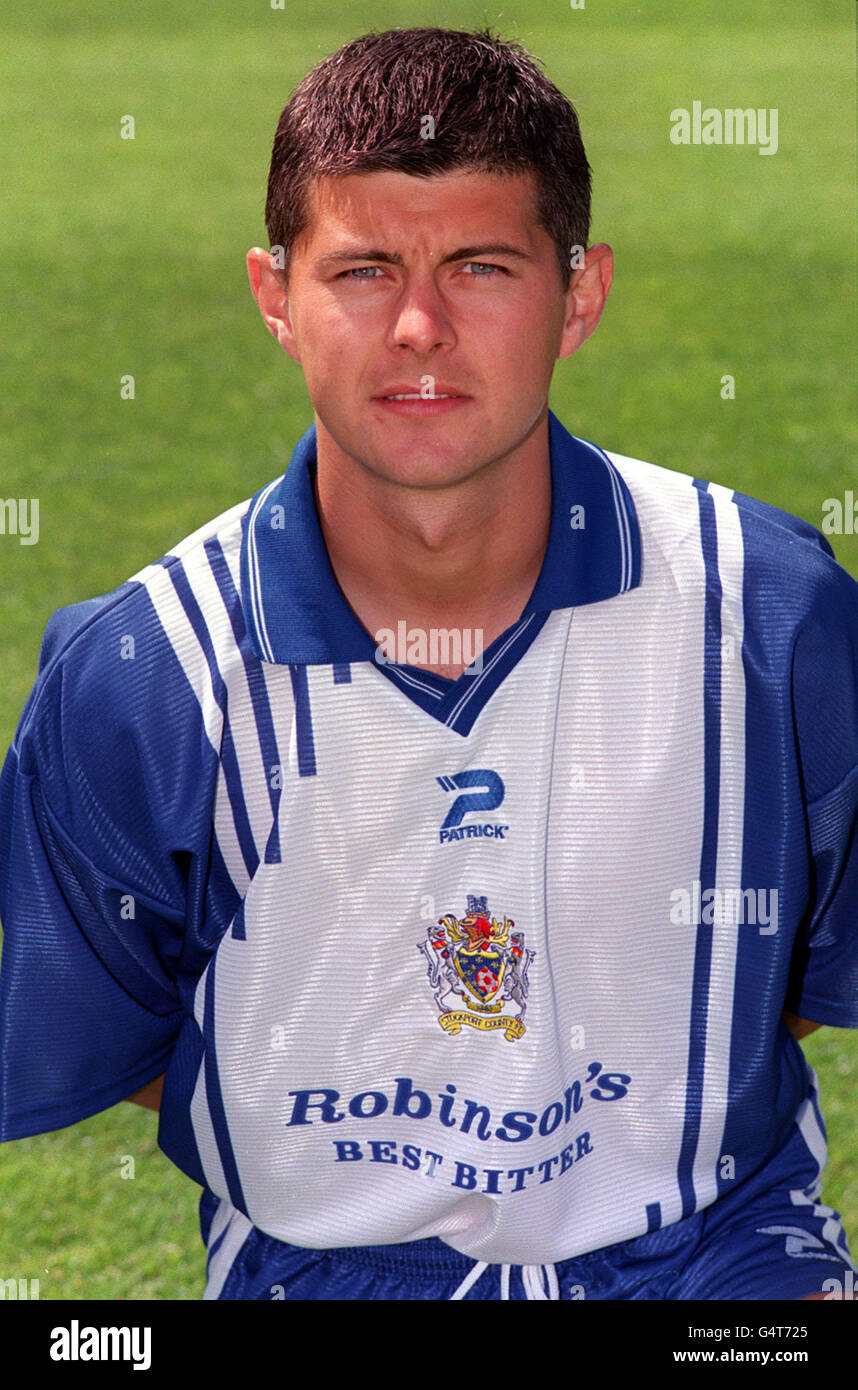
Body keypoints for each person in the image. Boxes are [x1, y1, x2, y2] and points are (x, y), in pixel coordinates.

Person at [1, 26, 856, 1302]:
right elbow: (111, 1021)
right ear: (273, 295)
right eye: (361, 270)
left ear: (580, 293)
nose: (418, 325)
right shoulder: (148, 669)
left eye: (480, 264)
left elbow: (796, 967)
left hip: (713, 1258)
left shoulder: (769, 614)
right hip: (327, 1270)